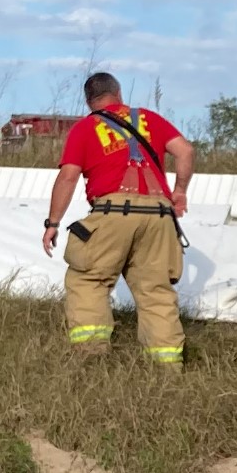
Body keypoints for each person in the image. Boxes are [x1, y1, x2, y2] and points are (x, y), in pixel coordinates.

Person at [40, 72, 196, 367]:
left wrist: (52, 223)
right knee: (155, 290)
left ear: (89, 101)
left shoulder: (86, 128)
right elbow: (185, 151)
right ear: (119, 94)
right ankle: (167, 366)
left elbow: (68, 176)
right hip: (159, 215)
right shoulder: (149, 118)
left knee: (89, 279)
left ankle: (91, 358)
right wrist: (179, 192)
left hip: (112, 211)